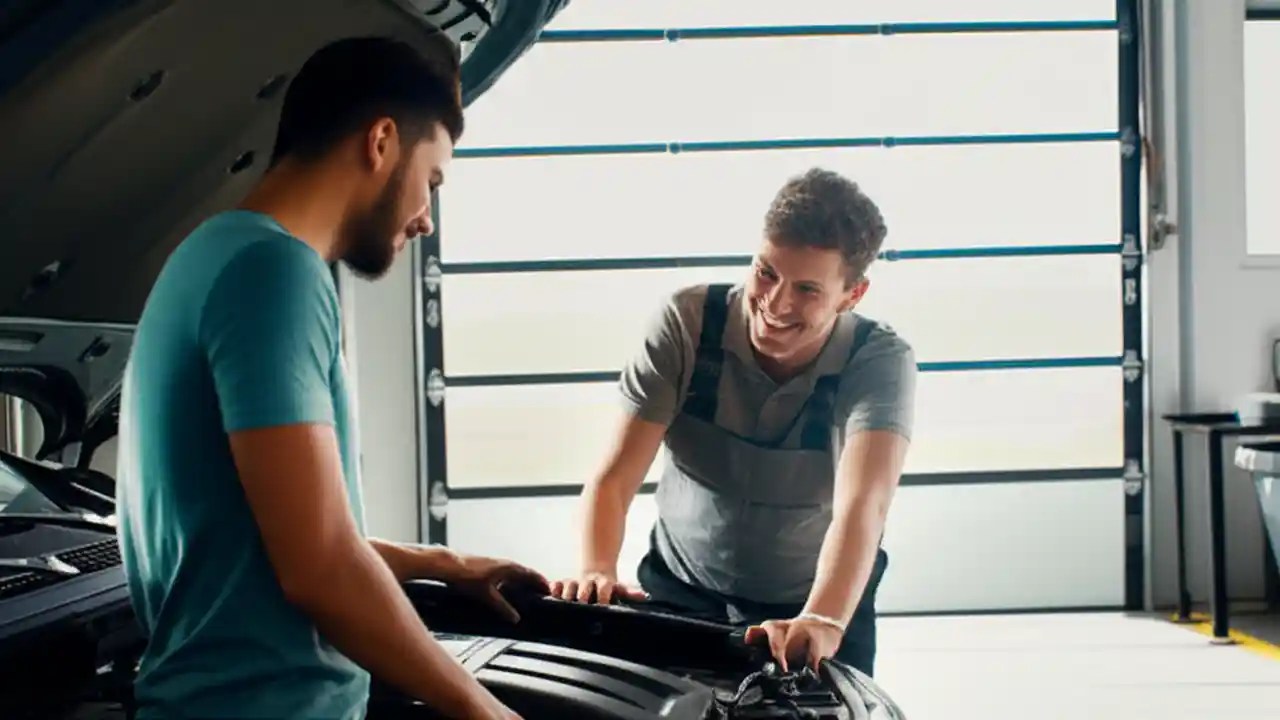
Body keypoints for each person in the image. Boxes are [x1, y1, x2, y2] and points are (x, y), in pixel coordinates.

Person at [115, 37, 546, 720]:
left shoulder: (209, 254)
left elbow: (260, 542)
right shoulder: (274, 274)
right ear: (382, 141)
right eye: (432, 181)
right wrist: (488, 713)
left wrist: (443, 563)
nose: (426, 218)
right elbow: (320, 566)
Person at [551, 169, 916, 677]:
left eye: (807, 289)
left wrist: (822, 619)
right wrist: (596, 569)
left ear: (852, 295)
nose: (776, 303)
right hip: (682, 591)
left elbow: (864, 507)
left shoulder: (878, 360)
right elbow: (613, 479)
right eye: (766, 273)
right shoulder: (686, 324)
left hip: (813, 603)